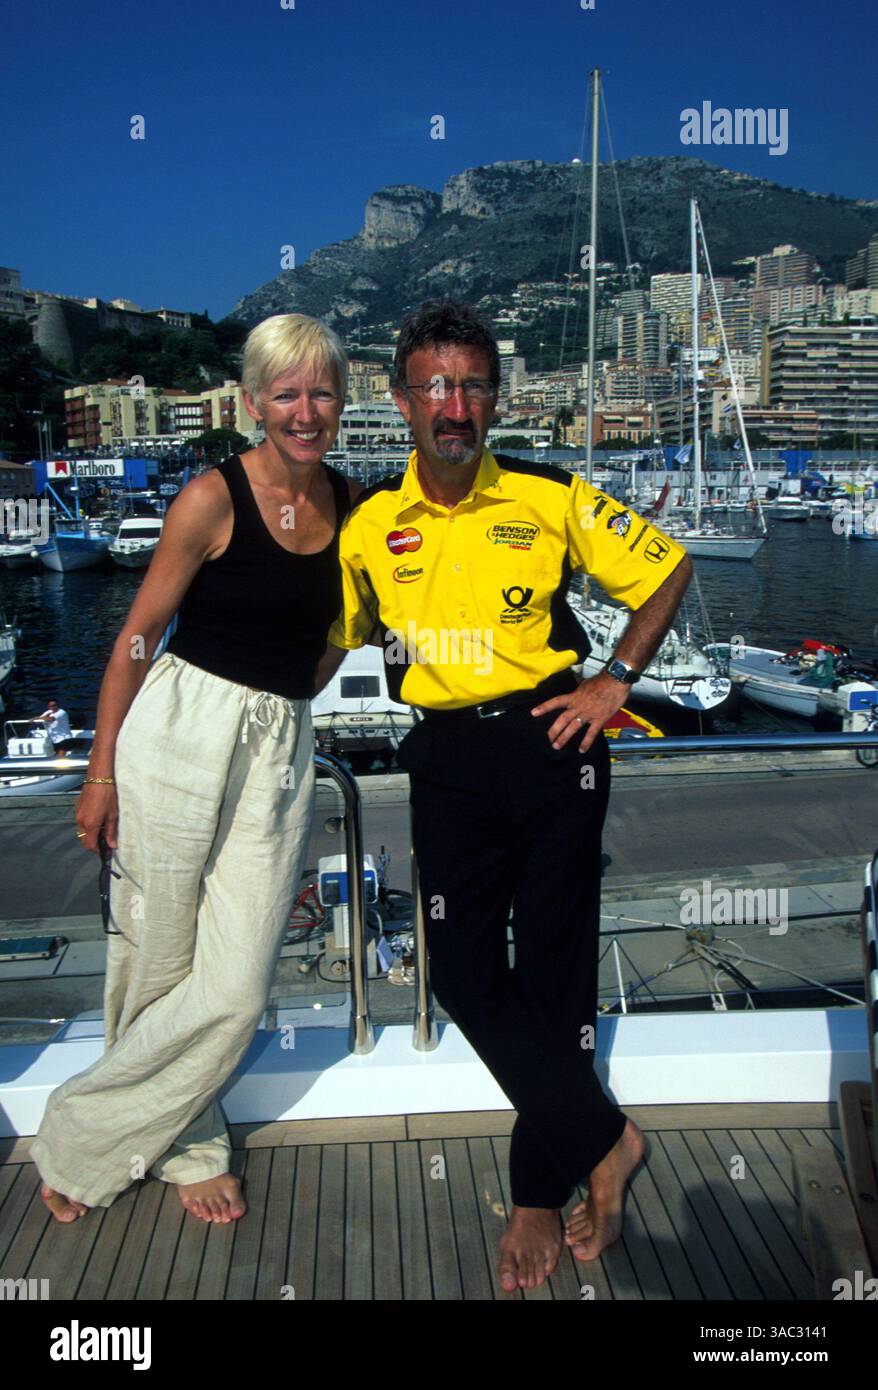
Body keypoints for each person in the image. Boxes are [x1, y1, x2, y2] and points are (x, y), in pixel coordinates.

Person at [315, 300, 693, 1293]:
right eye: (434, 385)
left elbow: (664, 568)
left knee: (556, 979)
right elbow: (333, 636)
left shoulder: (547, 493)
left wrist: (613, 677)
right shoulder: (367, 523)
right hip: (440, 759)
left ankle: (542, 1190)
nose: (453, 405)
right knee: (466, 974)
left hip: (550, 741)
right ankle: (608, 1138)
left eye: (472, 384)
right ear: (399, 400)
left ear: (496, 398)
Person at [32, 312, 360, 1225]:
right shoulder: (211, 499)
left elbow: (343, 630)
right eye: (286, 393)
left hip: (276, 741)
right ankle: (186, 1142)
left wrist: (292, 699)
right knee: (155, 957)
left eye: (322, 390)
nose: (305, 410)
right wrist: (100, 772)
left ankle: (81, 1127)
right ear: (254, 403)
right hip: (178, 727)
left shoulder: (356, 507)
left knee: (237, 981)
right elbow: (136, 639)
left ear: (342, 399)